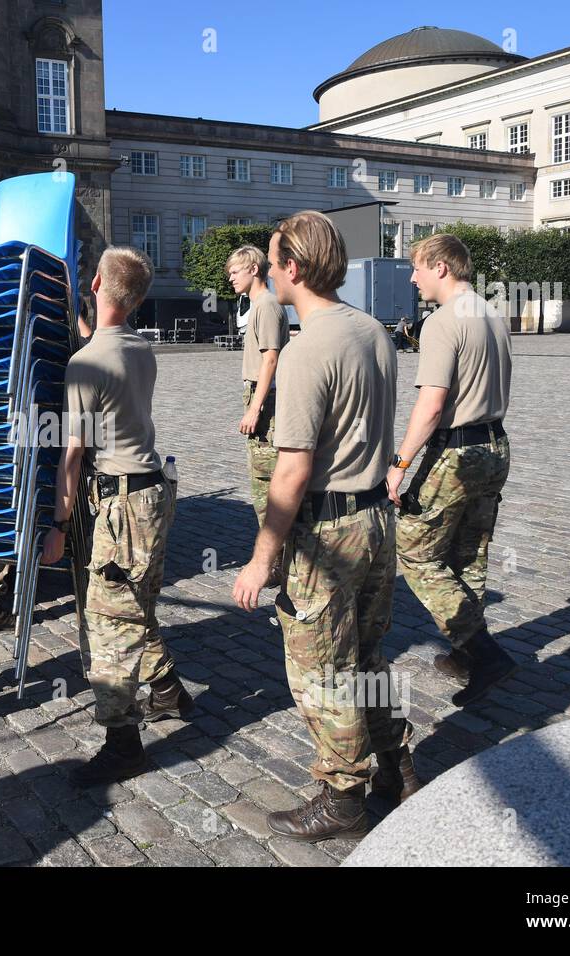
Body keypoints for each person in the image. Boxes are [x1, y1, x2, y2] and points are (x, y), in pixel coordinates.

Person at [233, 212, 418, 841]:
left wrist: (262, 559)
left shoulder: (310, 347)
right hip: (374, 519)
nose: (266, 267)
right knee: (368, 656)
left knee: (322, 670)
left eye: (273, 257)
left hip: (330, 530)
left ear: (293, 268)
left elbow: (291, 470)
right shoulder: (373, 331)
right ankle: (396, 768)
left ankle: (343, 797)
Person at [41, 246, 194, 787]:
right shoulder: (139, 346)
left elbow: (74, 452)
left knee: (108, 625)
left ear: (99, 283)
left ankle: (123, 745)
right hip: (152, 490)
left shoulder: (86, 363)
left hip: (120, 504)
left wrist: (58, 526)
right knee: (135, 602)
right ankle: (170, 690)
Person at [388, 233, 516, 707]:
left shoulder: (443, 322)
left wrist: (400, 463)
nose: (413, 276)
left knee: (416, 551)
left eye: (417, 267)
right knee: (469, 554)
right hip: (495, 444)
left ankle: (483, 651)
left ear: (441, 267)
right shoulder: (490, 312)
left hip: (458, 450)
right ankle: (466, 655)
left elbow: (432, 403)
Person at [228, 245, 288, 524]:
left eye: (235, 271)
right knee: (262, 477)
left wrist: (255, 408)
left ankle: (277, 553)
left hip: (267, 398)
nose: (231, 277)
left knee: (267, 481)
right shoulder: (259, 306)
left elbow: (271, 360)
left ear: (254, 269)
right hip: (262, 394)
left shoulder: (266, 305)